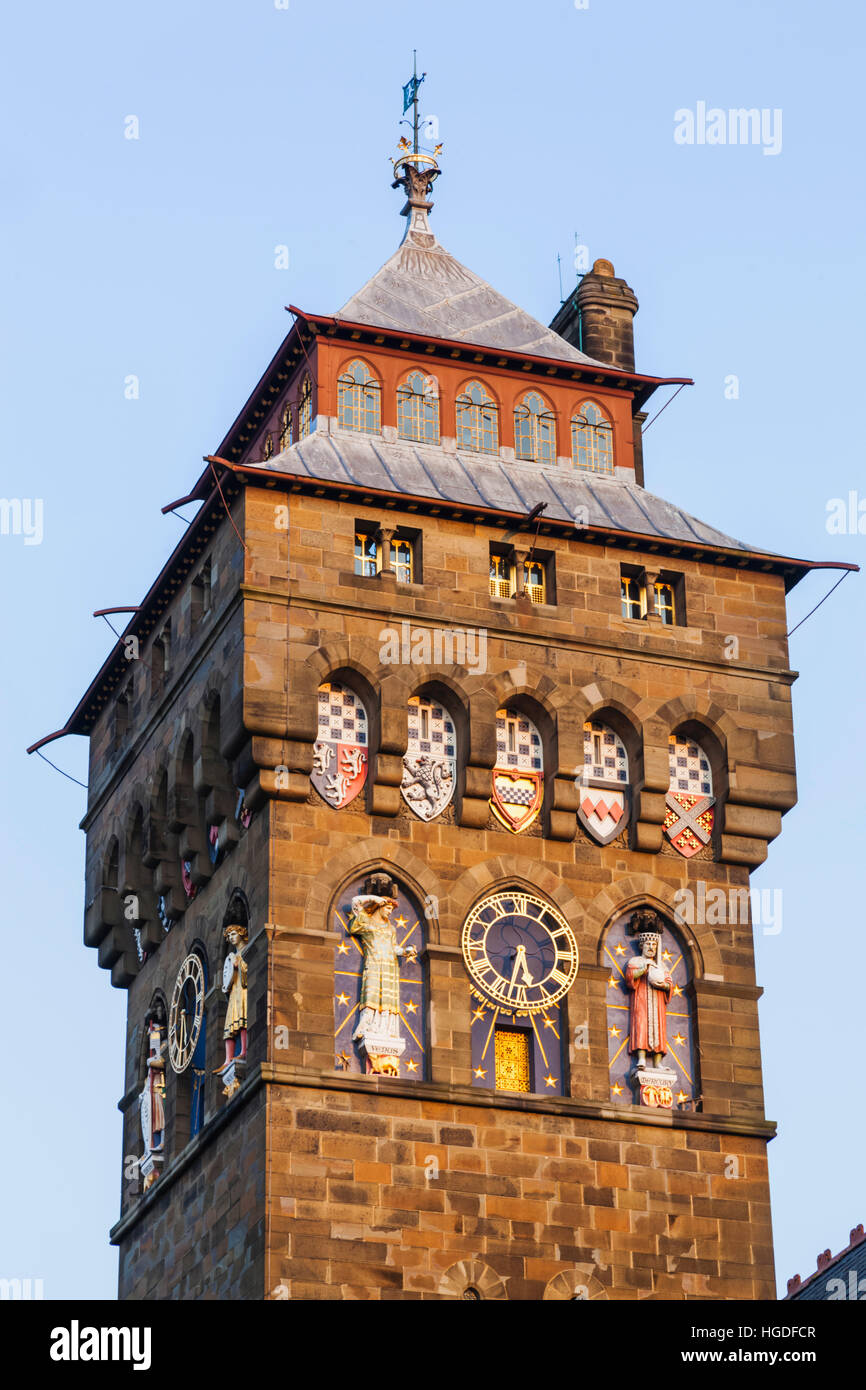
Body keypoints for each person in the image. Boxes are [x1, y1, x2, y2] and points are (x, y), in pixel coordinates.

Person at [625, 912, 672, 1069]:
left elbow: (669, 983)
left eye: (653, 945)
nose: (651, 947)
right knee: (641, 1025)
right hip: (642, 1000)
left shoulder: (661, 965)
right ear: (642, 946)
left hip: (657, 1002)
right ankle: (642, 1058)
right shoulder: (636, 961)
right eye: (648, 945)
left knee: (659, 1029)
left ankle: (658, 1062)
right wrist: (643, 969)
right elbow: (630, 976)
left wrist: (663, 986)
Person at [214, 923, 248, 1075]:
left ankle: (244, 1050)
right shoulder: (232, 956)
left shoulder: (246, 951)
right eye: (229, 936)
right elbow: (227, 979)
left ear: (241, 934)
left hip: (243, 990)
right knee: (230, 1023)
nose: (232, 938)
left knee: (242, 1019)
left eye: (234, 934)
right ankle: (228, 1059)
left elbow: (248, 971)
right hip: (234, 991)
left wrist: (239, 964)